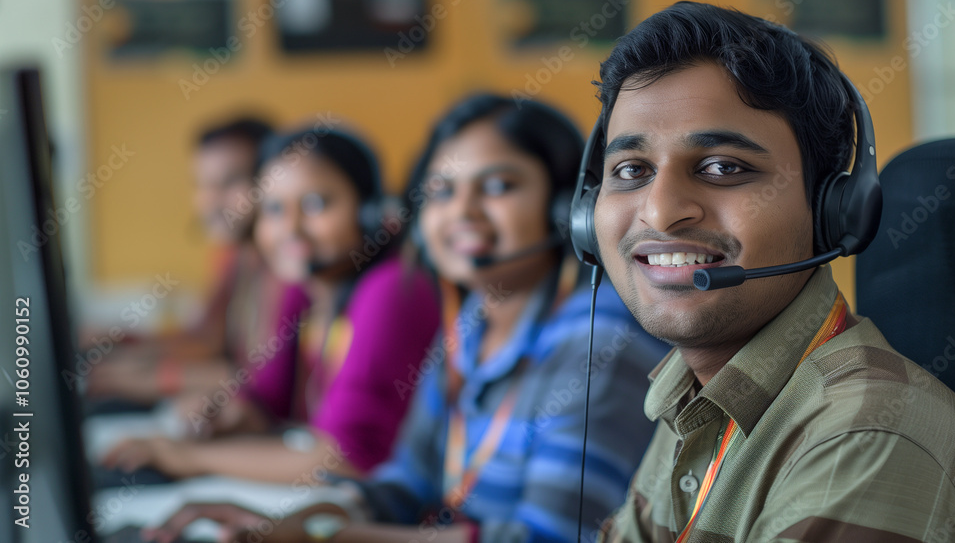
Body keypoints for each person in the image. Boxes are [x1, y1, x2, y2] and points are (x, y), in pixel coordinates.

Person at [146, 94, 667, 542]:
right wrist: (293, 523)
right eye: (441, 191)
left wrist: (332, 538)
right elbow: (406, 482)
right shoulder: (472, 325)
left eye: (498, 186)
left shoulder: (599, 339)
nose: (461, 211)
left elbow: (551, 537)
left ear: (568, 210)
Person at [579, 2, 955, 541]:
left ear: (832, 209)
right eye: (631, 170)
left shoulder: (866, 436)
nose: (660, 211)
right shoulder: (698, 396)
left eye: (723, 168)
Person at [103, 126, 441, 483]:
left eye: (316, 204)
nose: (290, 228)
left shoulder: (388, 291)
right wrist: (235, 412)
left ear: (370, 213)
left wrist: (191, 457)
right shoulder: (313, 291)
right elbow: (270, 398)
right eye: (274, 208)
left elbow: (343, 461)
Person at [86, 116, 287, 405]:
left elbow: (261, 382)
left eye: (230, 181)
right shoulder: (238, 256)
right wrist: (120, 343)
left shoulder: (288, 270)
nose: (210, 201)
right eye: (201, 184)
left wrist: (155, 379)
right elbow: (206, 339)